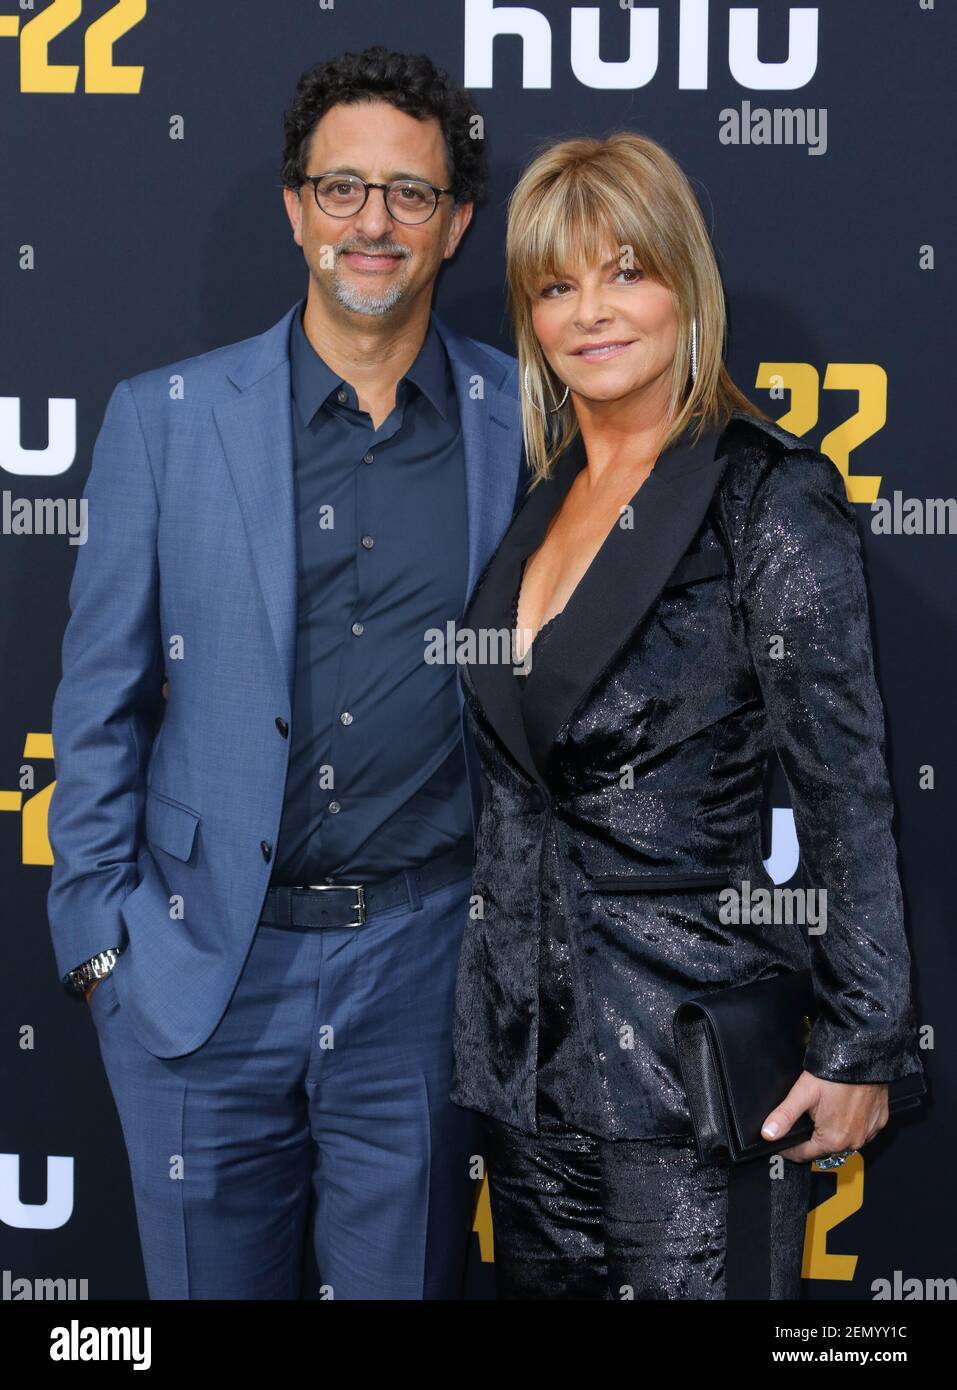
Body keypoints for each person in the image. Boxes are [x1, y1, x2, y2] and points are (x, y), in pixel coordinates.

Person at [47, 46, 525, 1300]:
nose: (374, 223)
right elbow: (95, 705)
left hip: (423, 982)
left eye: (411, 195)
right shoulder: (164, 418)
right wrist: (101, 947)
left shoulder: (522, 421)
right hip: (197, 979)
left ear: (459, 222)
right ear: (294, 207)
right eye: (343, 188)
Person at [449, 130, 925, 1300]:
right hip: (525, 1081)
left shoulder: (765, 494)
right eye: (557, 284)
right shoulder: (541, 495)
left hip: (691, 1079)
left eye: (627, 270)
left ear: (684, 284)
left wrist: (864, 1041)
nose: (592, 312)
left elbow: (846, 789)